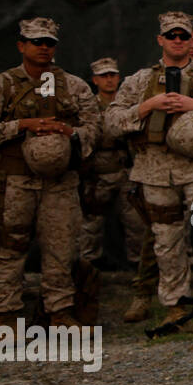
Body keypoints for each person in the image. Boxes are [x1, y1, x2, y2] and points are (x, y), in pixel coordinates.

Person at [106, 12, 193, 326]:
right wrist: (148, 106)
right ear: (161, 40)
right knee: (166, 240)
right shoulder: (140, 81)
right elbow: (112, 123)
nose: (178, 41)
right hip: (155, 171)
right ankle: (176, 304)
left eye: (184, 35)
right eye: (172, 35)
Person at [0, 18, 100, 331]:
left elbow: (96, 128)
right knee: (10, 246)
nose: (43, 47)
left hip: (60, 181)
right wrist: (22, 126)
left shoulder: (73, 85)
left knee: (61, 246)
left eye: (49, 42)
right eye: (36, 41)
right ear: (21, 46)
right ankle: (7, 314)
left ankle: (59, 312)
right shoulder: (4, 84)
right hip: (15, 180)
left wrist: (70, 132)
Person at [79, 56, 148, 271]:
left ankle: (139, 267)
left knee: (136, 222)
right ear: (95, 80)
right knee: (92, 224)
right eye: (103, 76)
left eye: (112, 75)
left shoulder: (128, 104)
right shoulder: (88, 106)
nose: (109, 80)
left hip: (127, 170)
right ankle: (88, 267)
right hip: (98, 173)